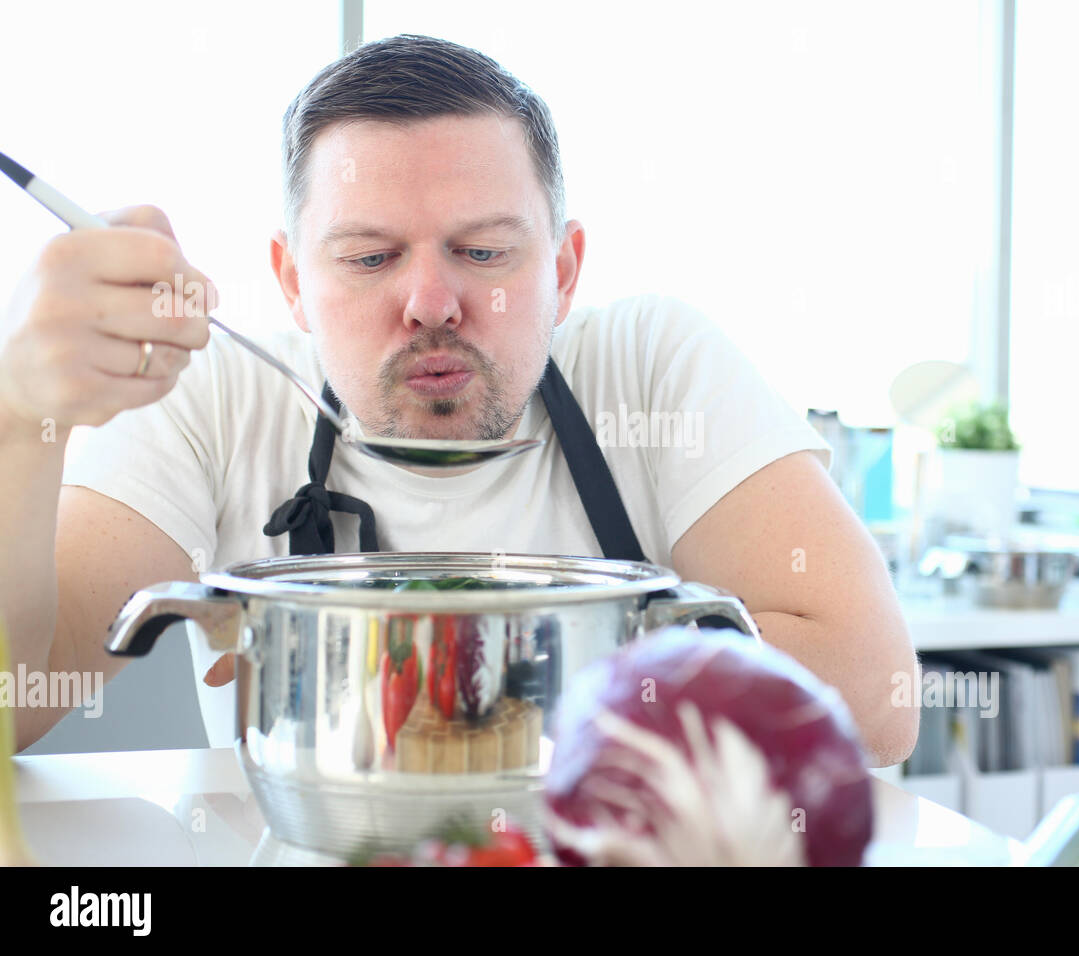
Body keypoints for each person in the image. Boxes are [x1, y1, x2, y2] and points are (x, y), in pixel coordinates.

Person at [0, 34, 918, 764]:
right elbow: (11, 706)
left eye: (483, 253)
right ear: (290, 279)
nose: (432, 304)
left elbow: (876, 698)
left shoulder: (653, 362)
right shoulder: (220, 395)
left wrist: (432, 682)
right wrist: (16, 421)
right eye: (368, 258)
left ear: (562, 270)